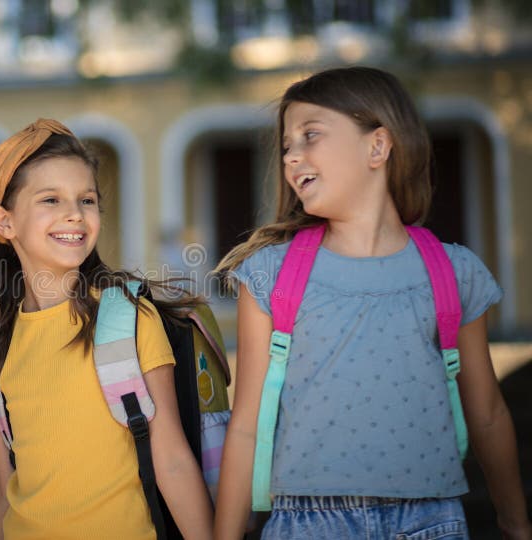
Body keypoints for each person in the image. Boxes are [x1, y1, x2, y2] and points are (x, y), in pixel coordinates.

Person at [213, 67, 532, 539]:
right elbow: (245, 427)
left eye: (311, 135)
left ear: (377, 147)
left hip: (433, 521)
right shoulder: (271, 274)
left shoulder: (454, 273)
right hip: (307, 523)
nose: (291, 156)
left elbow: (487, 413)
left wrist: (516, 521)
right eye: (286, 146)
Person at [0, 118, 213, 539]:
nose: (74, 214)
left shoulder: (126, 317)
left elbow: (173, 463)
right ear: (4, 222)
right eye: (51, 200)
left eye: (87, 200)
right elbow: (6, 491)